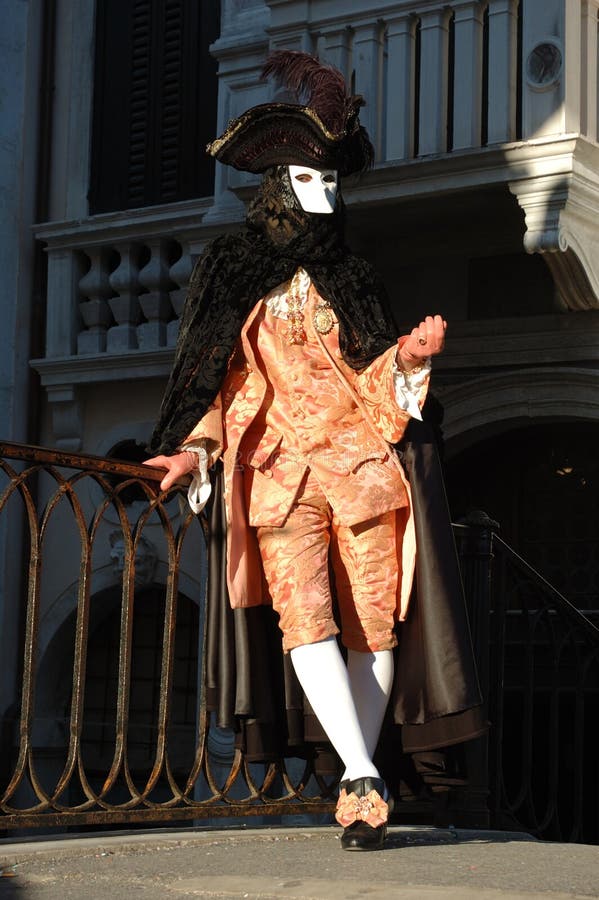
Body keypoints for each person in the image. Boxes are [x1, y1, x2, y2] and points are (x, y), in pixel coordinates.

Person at [145, 50, 485, 851]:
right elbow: (215, 380)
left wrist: (405, 360)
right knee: (306, 621)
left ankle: (354, 779)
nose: (323, 197)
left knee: (374, 628)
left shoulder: (355, 276)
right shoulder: (232, 268)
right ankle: (361, 774)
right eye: (308, 180)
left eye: (333, 183)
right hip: (275, 476)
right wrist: (192, 450)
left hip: (363, 474)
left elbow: (373, 381)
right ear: (275, 184)